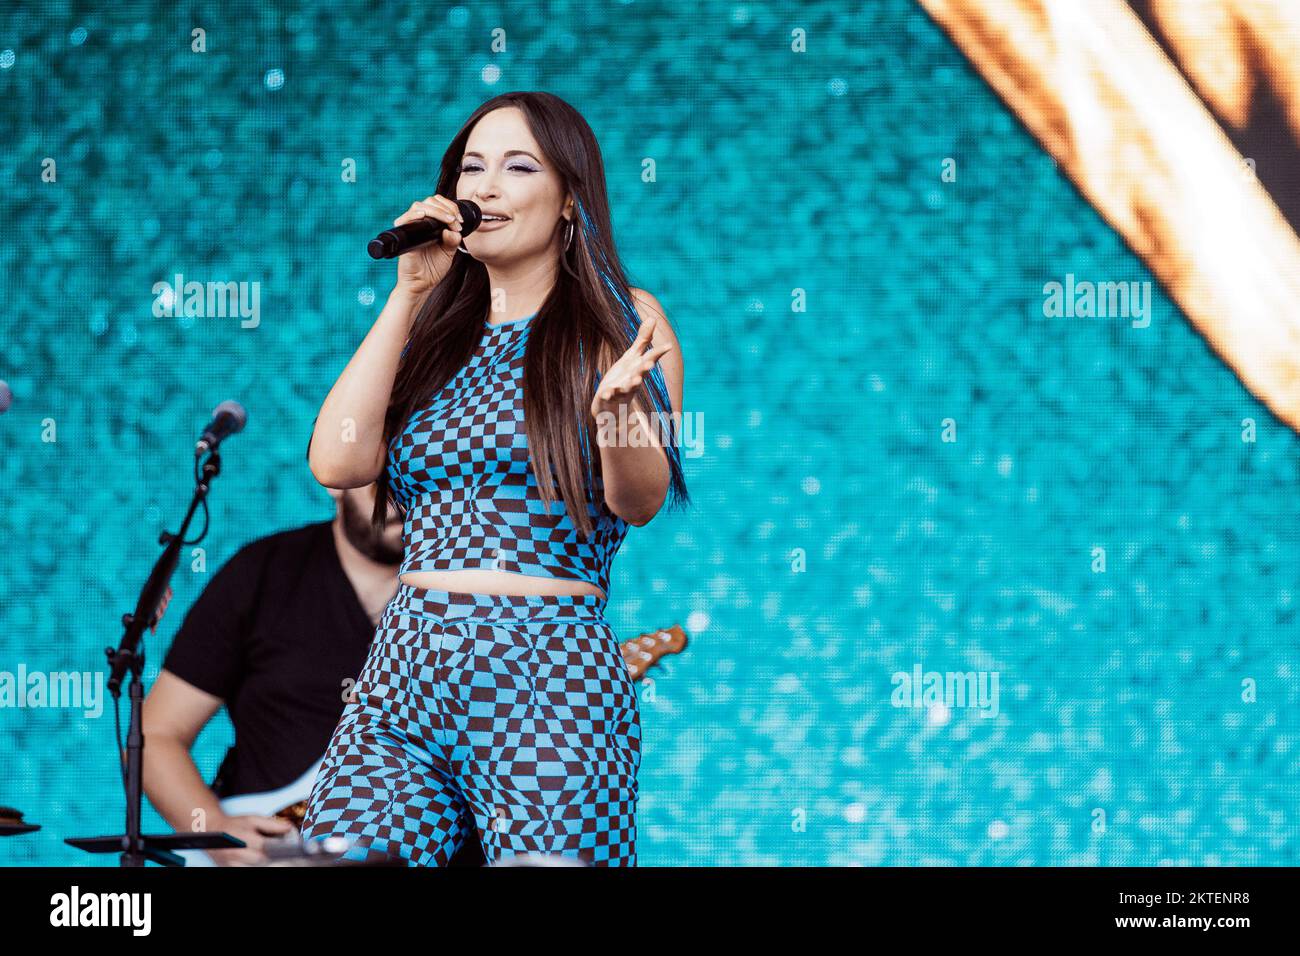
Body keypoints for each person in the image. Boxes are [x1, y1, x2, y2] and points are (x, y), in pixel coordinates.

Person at [299, 90, 689, 867]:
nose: (485, 188)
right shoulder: (432, 331)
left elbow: (638, 503)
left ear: (570, 197)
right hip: (407, 669)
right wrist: (409, 292)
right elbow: (338, 462)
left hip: (546, 678)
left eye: (517, 167)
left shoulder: (620, 318)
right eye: (471, 169)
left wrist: (616, 411)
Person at [141, 465, 486, 867]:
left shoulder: (478, 595)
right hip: (275, 852)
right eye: (383, 481)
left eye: (415, 481)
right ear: (336, 480)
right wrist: (213, 829)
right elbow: (157, 733)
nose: (401, 500)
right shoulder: (262, 574)